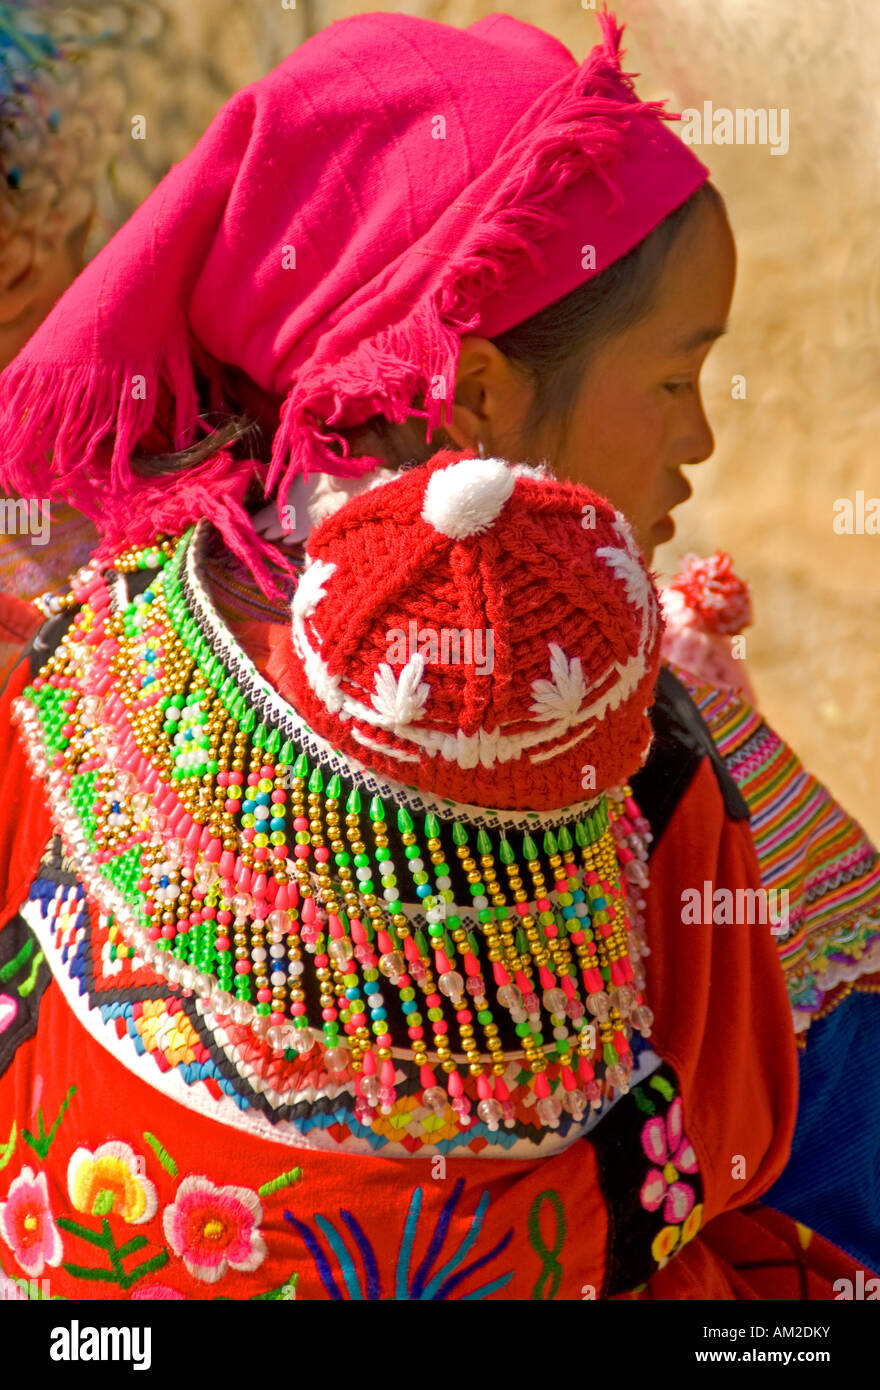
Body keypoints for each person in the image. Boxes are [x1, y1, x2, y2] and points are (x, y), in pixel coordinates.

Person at [0, 9, 877, 1299]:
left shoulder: (106, 636)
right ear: (470, 396)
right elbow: (745, 1132)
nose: (699, 440)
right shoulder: (622, 731)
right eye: (676, 380)